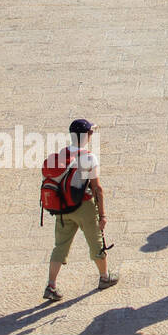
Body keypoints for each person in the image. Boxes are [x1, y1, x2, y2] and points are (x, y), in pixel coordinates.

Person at [44, 118, 119, 300]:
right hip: (84, 206)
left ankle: (51, 286)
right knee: (96, 243)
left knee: (60, 246)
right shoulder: (88, 157)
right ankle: (104, 278)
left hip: (62, 208)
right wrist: (102, 214)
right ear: (86, 136)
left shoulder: (62, 153)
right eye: (91, 132)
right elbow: (96, 188)